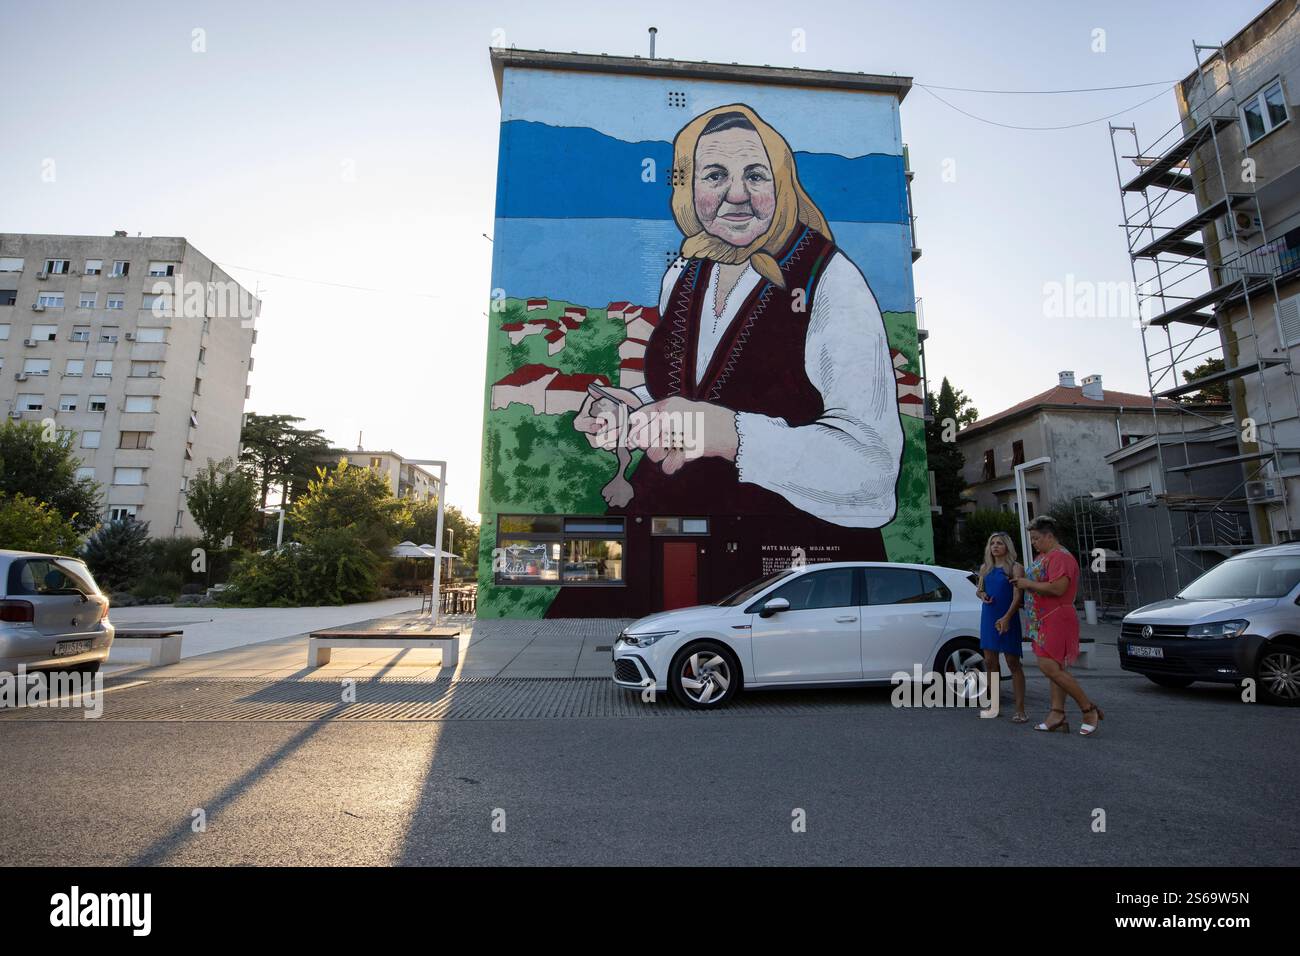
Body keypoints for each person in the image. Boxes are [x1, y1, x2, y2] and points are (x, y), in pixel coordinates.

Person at [573, 104, 903, 543]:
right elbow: (685, 392)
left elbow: (874, 472)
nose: (737, 194)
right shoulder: (685, 273)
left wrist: (730, 435)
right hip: (670, 532)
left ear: (782, 183)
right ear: (687, 186)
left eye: (756, 175)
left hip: (788, 558)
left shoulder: (830, 279)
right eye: (714, 175)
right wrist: (626, 411)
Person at [1012, 515, 1105, 736]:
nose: (1034, 543)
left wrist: (1027, 583)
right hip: (1042, 619)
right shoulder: (1044, 556)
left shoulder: (1060, 558)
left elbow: (1058, 588)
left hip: (1056, 617)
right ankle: (1057, 714)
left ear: (1049, 536)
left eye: (1036, 538)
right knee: (1055, 670)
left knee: (1049, 667)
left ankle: (1088, 708)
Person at [975, 532, 1026, 722]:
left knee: (1013, 663)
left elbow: (1017, 597)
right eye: (992, 543)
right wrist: (983, 596)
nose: (995, 546)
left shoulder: (1015, 568)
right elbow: (979, 590)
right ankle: (994, 705)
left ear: (1007, 547)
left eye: (1000, 543)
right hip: (988, 617)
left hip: (1008, 617)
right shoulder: (985, 568)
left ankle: (1020, 710)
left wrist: (1006, 617)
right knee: (990, 662)